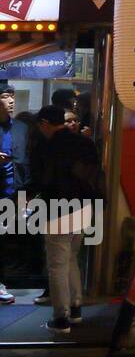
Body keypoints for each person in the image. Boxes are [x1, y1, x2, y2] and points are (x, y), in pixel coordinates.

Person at [29, 105, 103, 334]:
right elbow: (95, 175)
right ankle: (76, 308)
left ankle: (61, 318)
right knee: (72, 258)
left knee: (57, 264)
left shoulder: (46, 147)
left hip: (58, 210)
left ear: (44, 124)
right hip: (83, 208)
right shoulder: (84, 143)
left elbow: (41, 181)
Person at [0, 82, 30, 305]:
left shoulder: (21, 128)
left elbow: (26, 162)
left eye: (12, 96)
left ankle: (2, 283)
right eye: (5, 96)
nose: (11, 101)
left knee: (6, 241)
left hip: (13, 193)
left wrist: (26, 193)